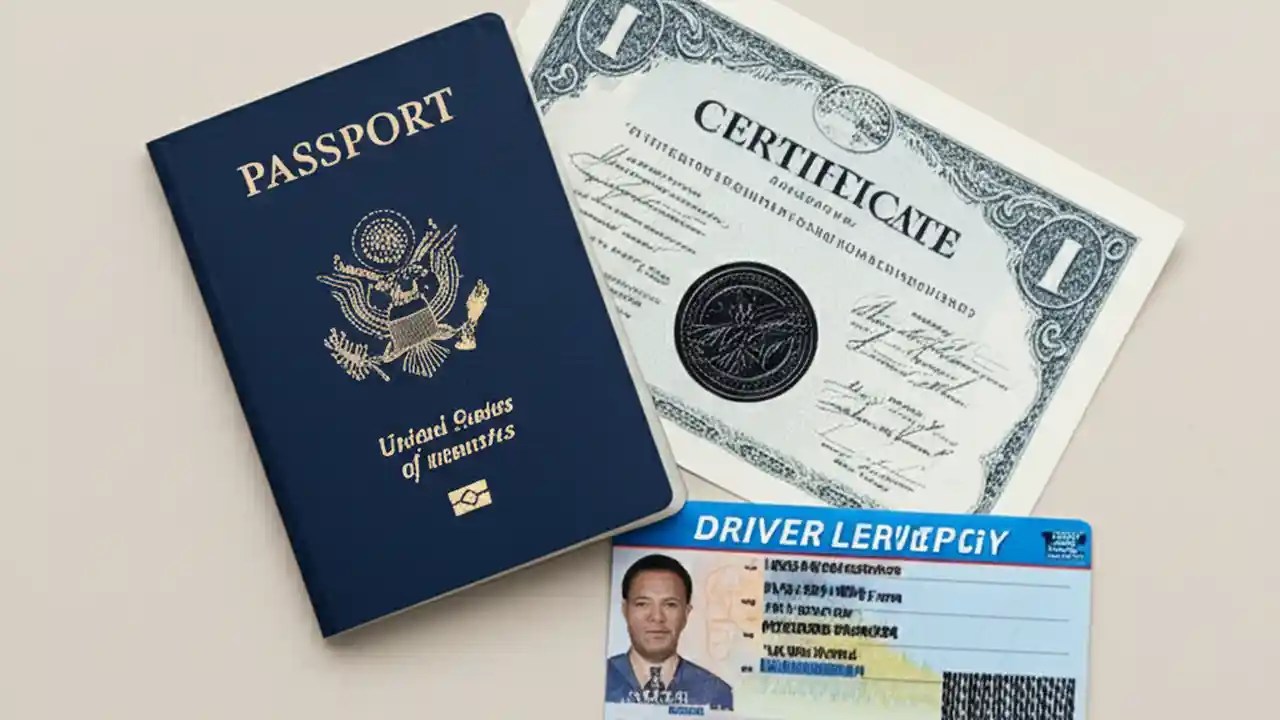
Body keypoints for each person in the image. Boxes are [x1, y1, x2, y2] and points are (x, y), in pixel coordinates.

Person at [605, 554, 734, 710]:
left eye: (670, 605)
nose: (657, 617)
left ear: (686, 613)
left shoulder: (715, 693)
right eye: (642, 604)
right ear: (625, 610)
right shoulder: (596, 679)